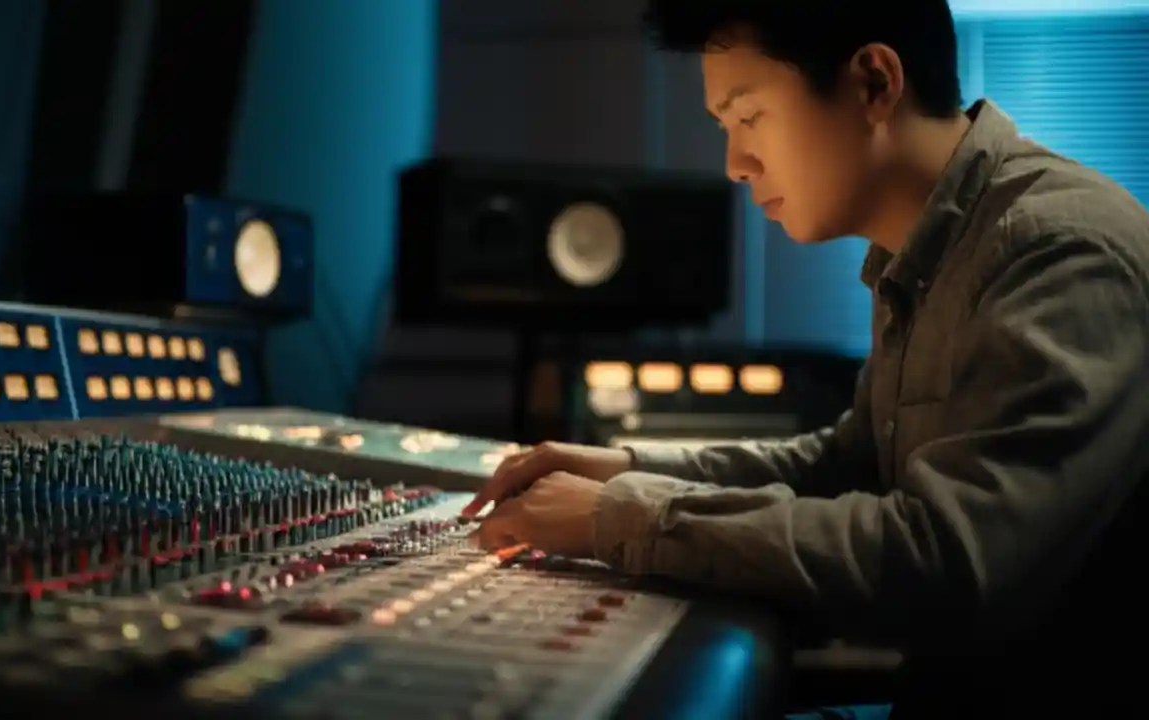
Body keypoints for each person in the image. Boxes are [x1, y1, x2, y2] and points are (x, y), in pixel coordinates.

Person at [460, 1, 1149, 718]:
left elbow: (949, 561)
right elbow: (847, 465)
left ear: (874, 83)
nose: (735, 164)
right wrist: (627, 469)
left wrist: (623, 518)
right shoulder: (925, 251)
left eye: (749, 116)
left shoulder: (1057, 250)